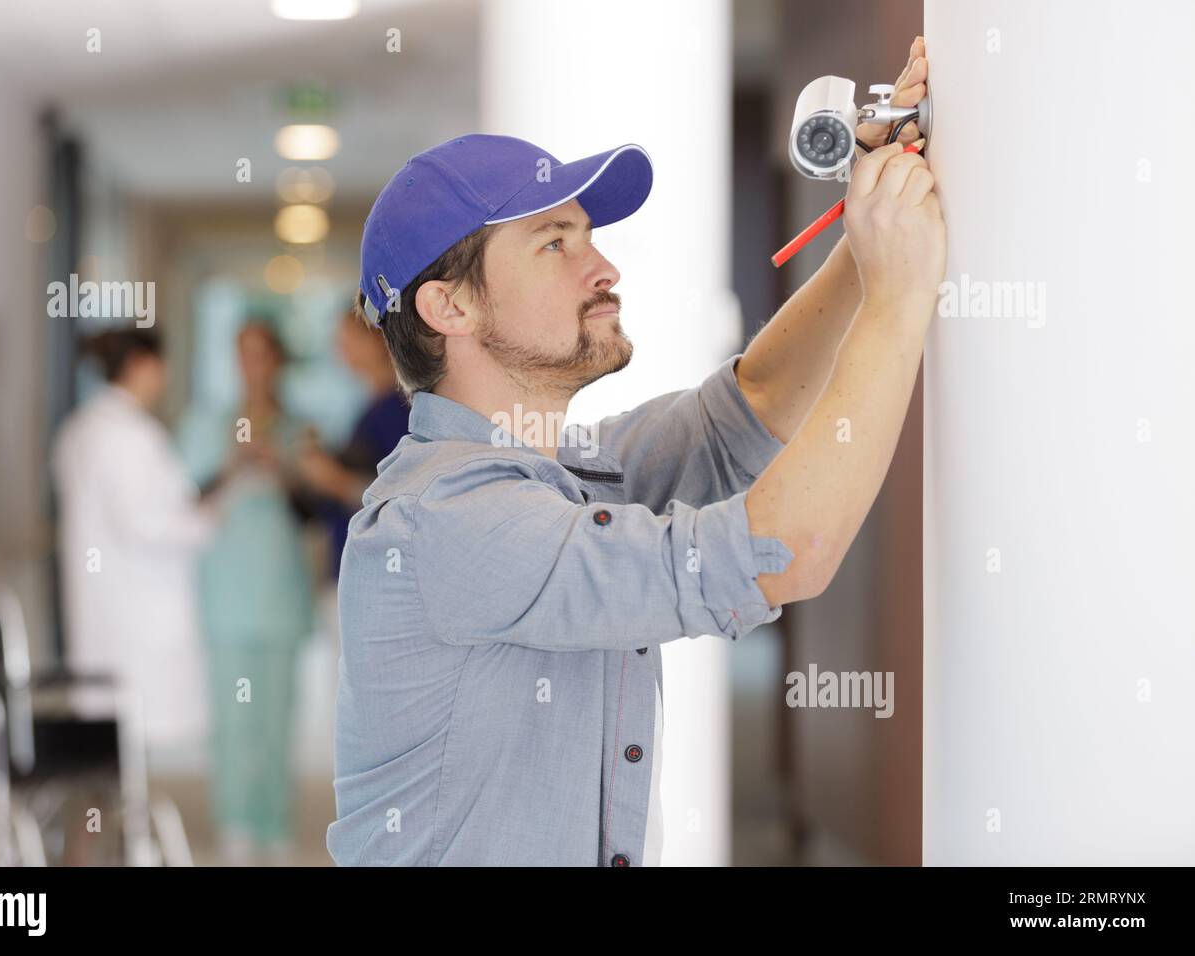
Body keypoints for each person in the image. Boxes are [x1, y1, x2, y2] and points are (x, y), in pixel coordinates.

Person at [327, 40, 942, 866]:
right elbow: (783, 552)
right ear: (450, 305)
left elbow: (751, 404)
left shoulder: (566, 478)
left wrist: (870, 244)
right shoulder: (445, 523)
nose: (604, 266)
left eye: (590, 237)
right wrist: (900, 299)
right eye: (555, 243)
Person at [177, 321, 316, 862]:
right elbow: (185, 500)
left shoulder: (299, 429)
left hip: (281, 594)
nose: (252, 365)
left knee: (278, 717)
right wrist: (232, 466)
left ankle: (274, 822)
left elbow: (315, 512)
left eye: (262, 354)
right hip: (226, 596)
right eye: (243, 354)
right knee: (233, 719)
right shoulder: (206, 423)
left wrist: (285, 473)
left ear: (277, 361)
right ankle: (236, 821)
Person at [52, 329, 215, 755]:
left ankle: (105, 819)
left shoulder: (80, 429)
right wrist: (204, 520)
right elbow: (149, 525)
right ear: (142, 366)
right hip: (140, 610)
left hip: (108, 605)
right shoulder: (131, 437)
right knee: (129, 732)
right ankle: (118, 820)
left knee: (109, 735)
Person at [297, 307, 409, 580]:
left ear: (379, 340)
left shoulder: (399, 410)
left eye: (349, 339)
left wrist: (335, 480)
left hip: (382, 569)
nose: (341, 349)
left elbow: (402, 496)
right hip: (357, 563)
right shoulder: (369, 406)